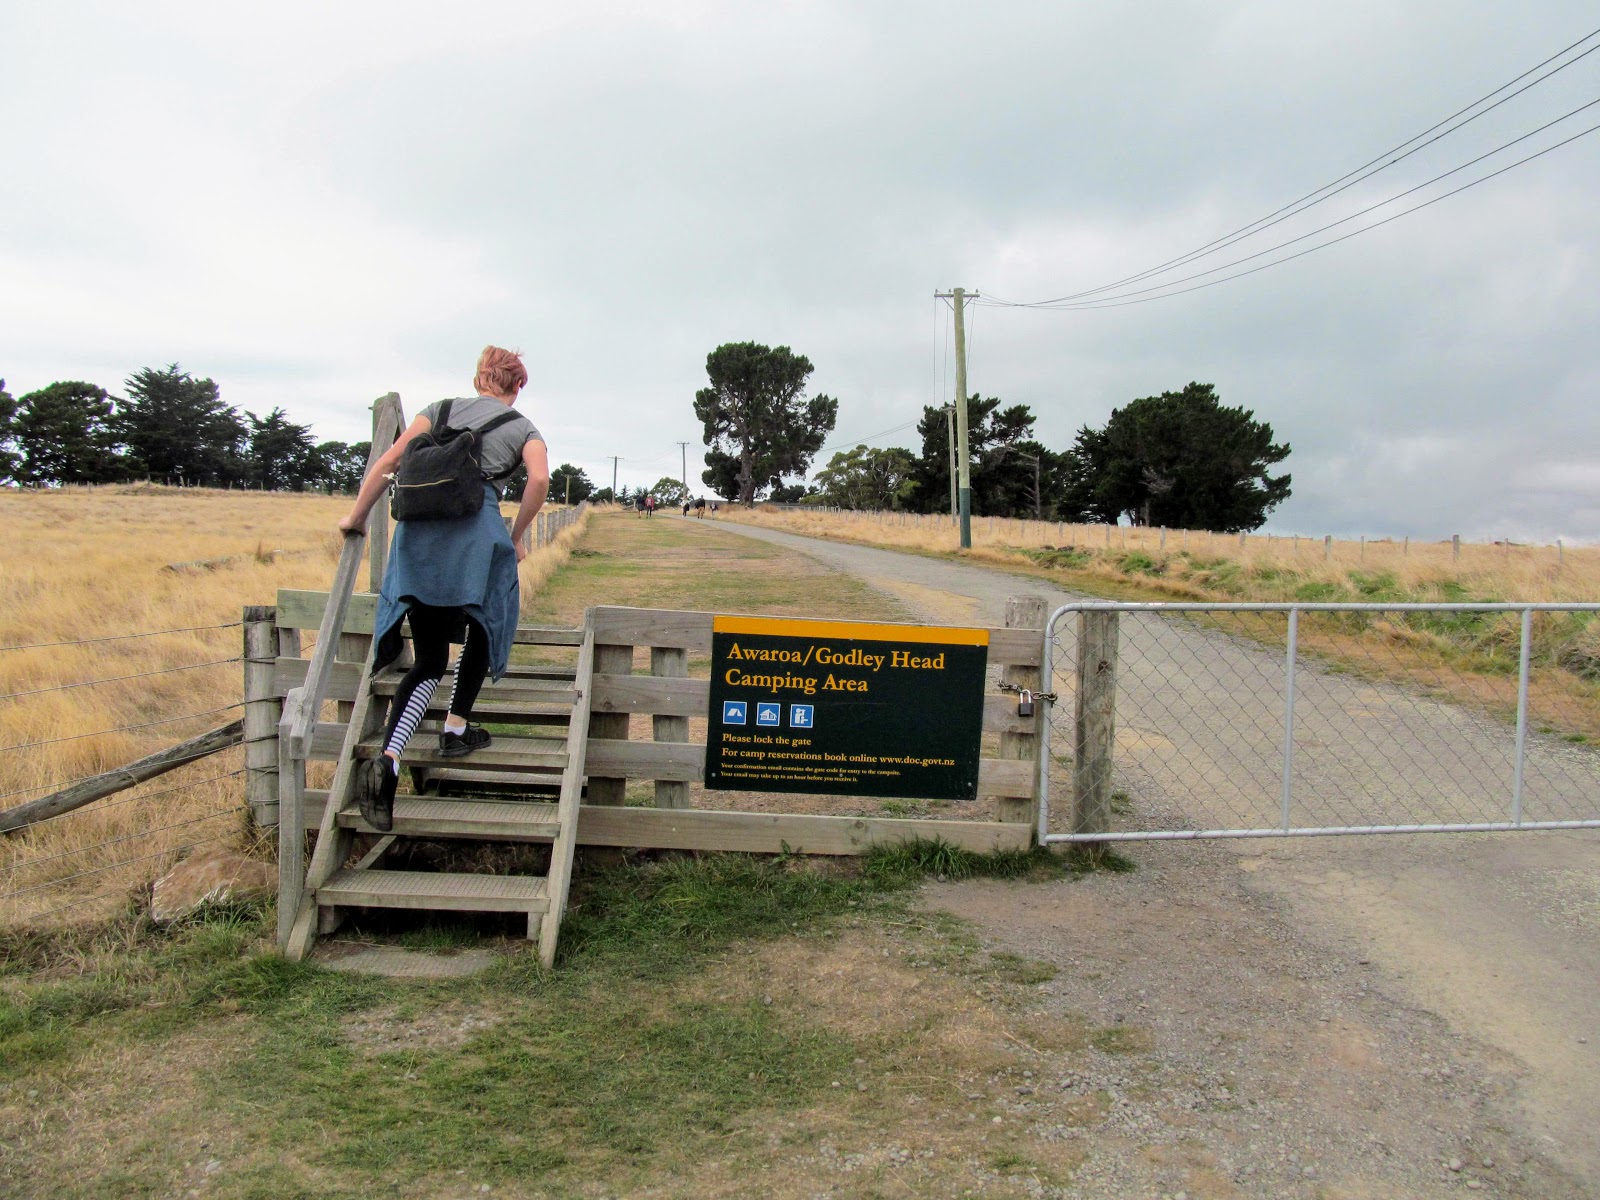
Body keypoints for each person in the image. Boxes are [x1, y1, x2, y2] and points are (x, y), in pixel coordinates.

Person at [338, 346, 550, 830]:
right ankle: (455, 728)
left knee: (430, 659)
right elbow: (538, 478)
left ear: (478, 378)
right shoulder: (524, 428)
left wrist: (355, 519)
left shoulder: (438, 411)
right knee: (485, 624)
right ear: (517, 386)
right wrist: (516, 537)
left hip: (419, 544)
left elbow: (391, 461)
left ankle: (389, 761)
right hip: (477, 543)